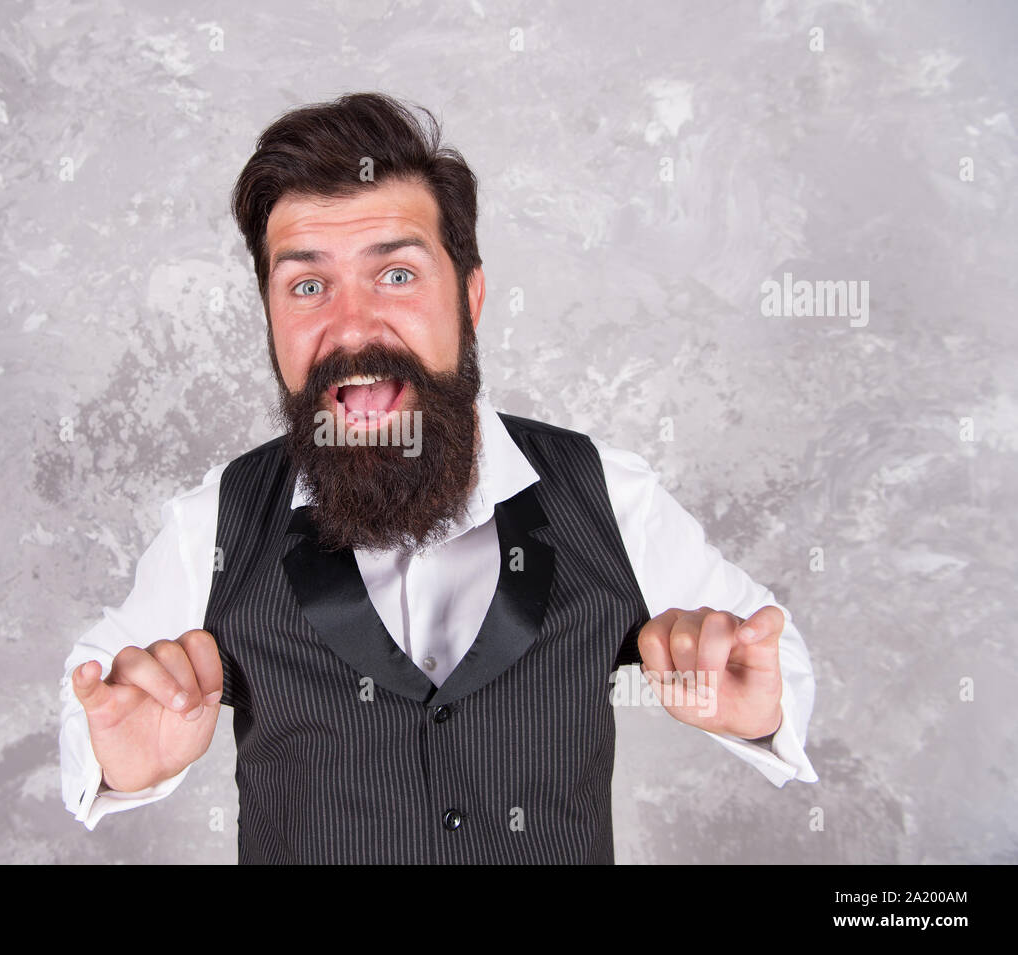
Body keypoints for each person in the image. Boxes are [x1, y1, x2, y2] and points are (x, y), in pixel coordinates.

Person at [59, 92, 818, 864]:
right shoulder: (213, 527)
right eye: (308, 286)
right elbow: (93, 691)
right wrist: (119, 760)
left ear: (471, 297)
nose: (352, 327)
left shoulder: (608, 497)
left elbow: (770, 656)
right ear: (269, 317)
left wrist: (758, 704)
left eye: (395, 273)